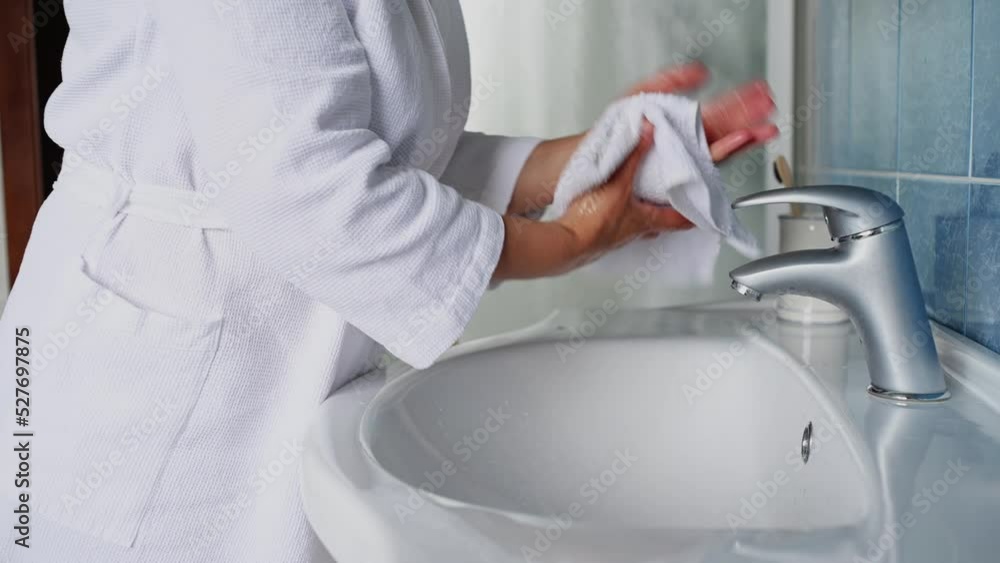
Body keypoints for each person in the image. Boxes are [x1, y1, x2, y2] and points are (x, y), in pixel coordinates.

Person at [0, 1, 777, 561]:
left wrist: (605, 153)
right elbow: (309, 188)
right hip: (145, 399)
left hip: (267, 363)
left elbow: (390, 155)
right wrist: (568, 241)